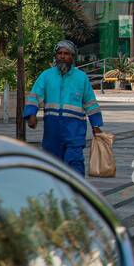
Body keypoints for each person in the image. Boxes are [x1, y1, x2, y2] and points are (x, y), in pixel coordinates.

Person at [24, 40, 103, 175]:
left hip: (74, 130)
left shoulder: (81, 78)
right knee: (53, 166)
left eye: (66, 53)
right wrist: (31, 115)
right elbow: (35, 96)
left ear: (72, 57)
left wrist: (96, 125)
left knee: (75, 163)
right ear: (55, 56)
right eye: (59, 53)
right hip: (52, 131)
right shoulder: (46, 76)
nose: (62, 56)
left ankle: (76, 193)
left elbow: (90, 103)